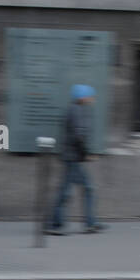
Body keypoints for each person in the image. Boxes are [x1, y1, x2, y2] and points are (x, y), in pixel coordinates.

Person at [45, 83, 108, 235]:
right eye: (90, 96)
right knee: (71, 191)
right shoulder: (77, 110)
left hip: (72, 157)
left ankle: (86, 223)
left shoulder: (75, 109)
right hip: (72, 158)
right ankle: (56, 224)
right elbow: (79, 135)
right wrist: (86, 153)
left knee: (80, 189)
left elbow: (77, 135)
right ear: (82, 97)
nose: (92, 99)